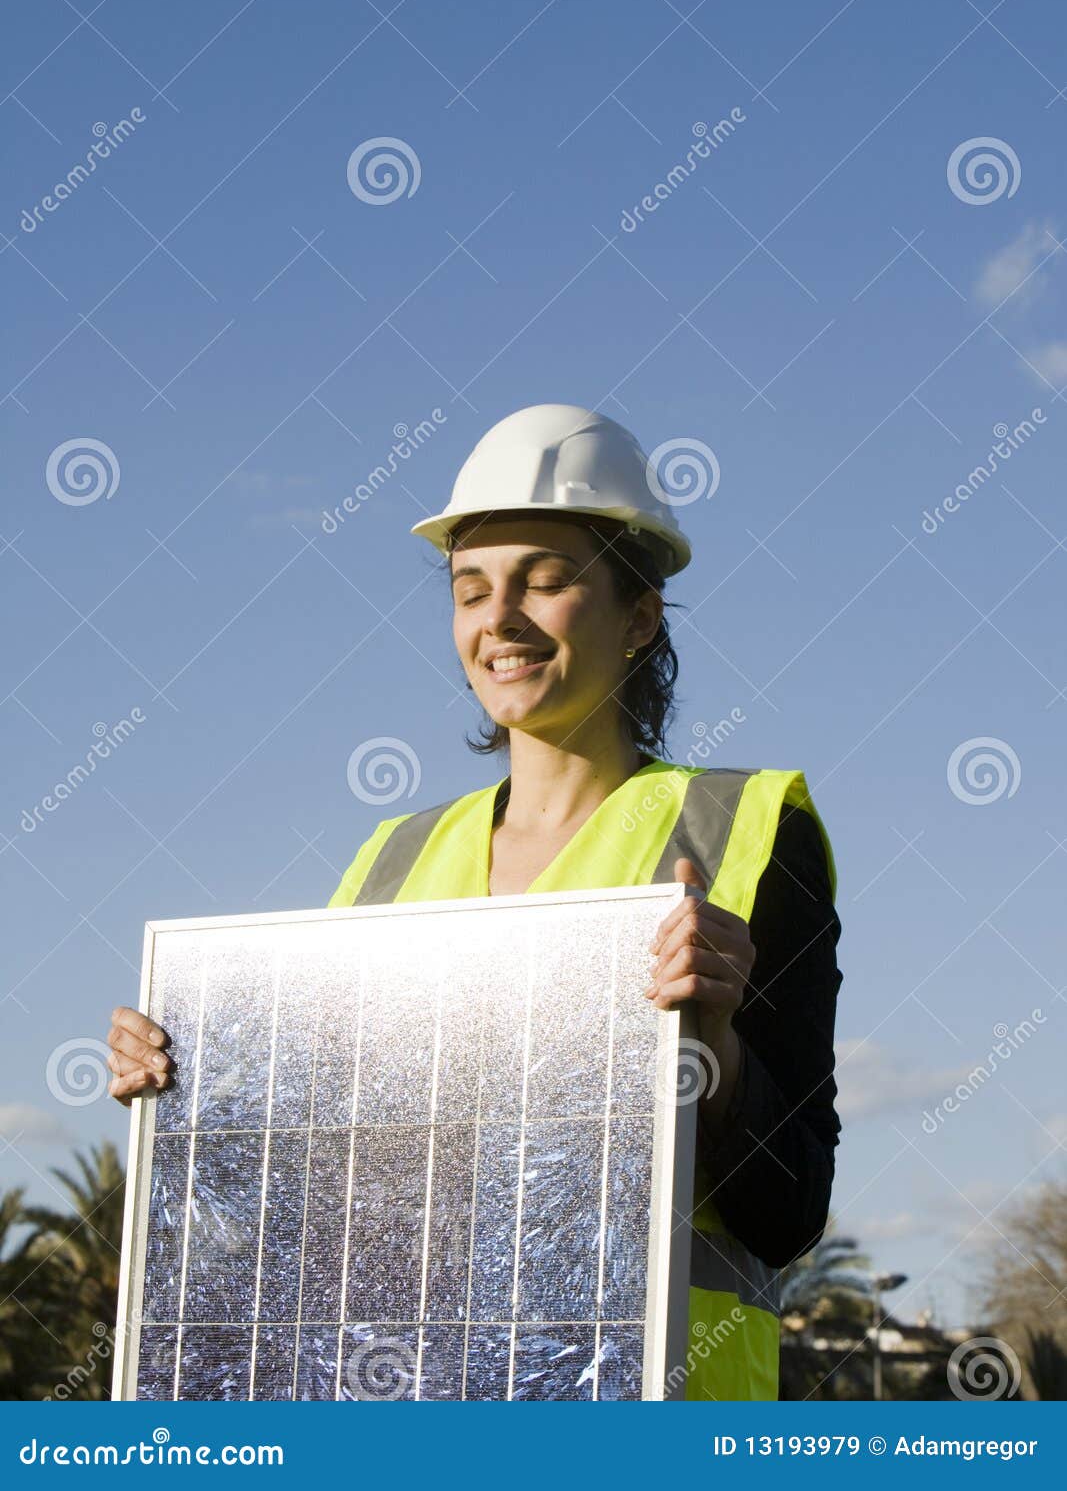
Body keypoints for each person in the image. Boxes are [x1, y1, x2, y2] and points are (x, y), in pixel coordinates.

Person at [107, 402, 843, 1402]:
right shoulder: (390, 864)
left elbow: (788, 1210)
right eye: (470, 589)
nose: (499, 617)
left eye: (544, 581)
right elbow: (319, 1203)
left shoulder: (747, 832)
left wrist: (713, 1042)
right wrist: (194, 1081)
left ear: (638, 616)